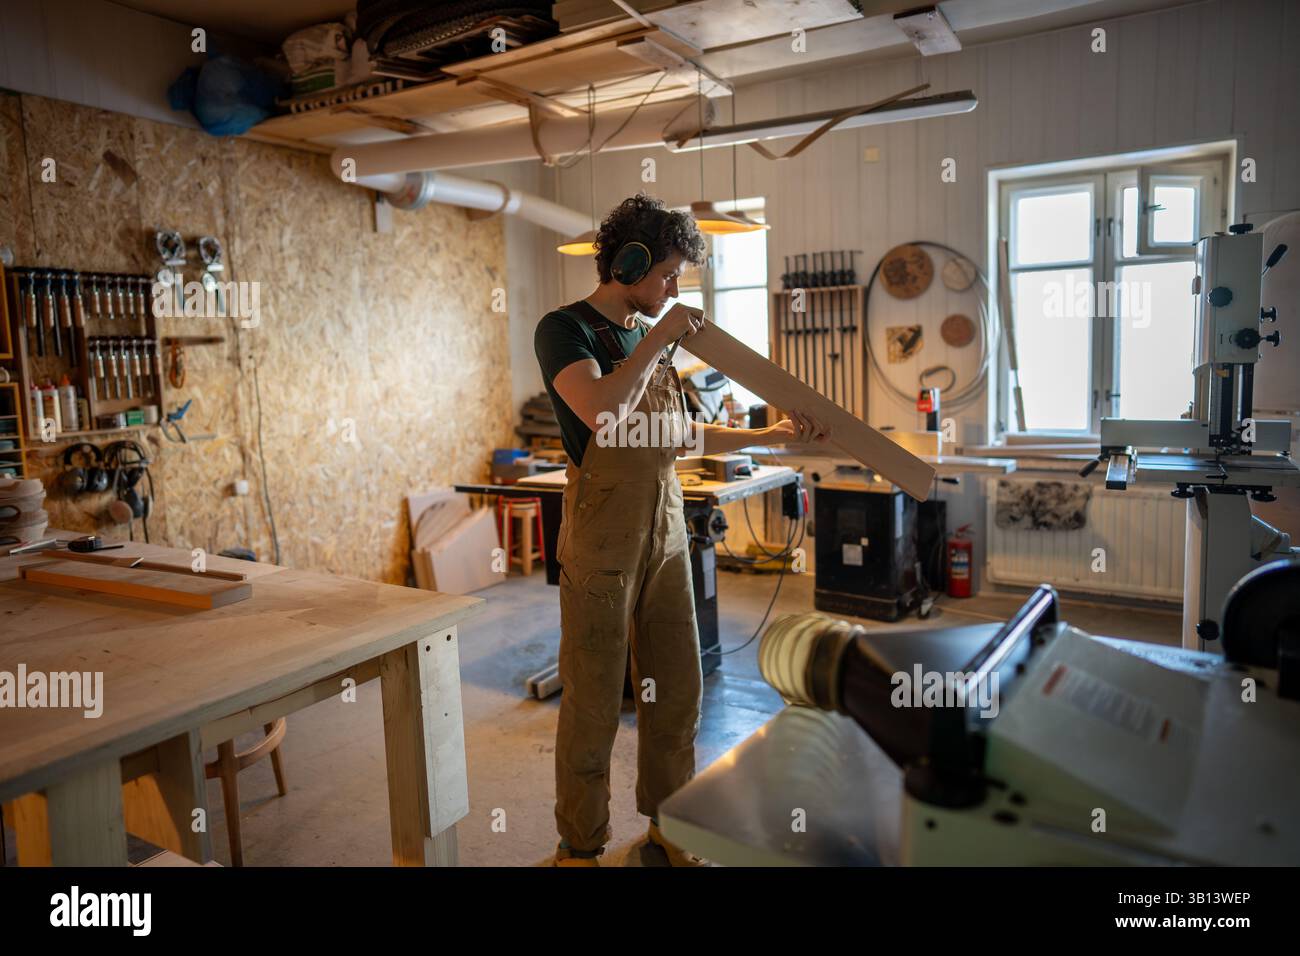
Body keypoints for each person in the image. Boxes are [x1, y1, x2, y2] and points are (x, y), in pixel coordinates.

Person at [534, 193, 828, 866]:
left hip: (666, 532)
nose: (673, 290)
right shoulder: (565, 330)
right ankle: (580, 846)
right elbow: (606, 411)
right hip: (602, 544)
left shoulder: (646, 337)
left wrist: (772, 434)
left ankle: (669, 828)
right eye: (667, 275)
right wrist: (663, 336)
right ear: (629, 263)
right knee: (594, 700)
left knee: (676, 690)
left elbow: (681, 434)